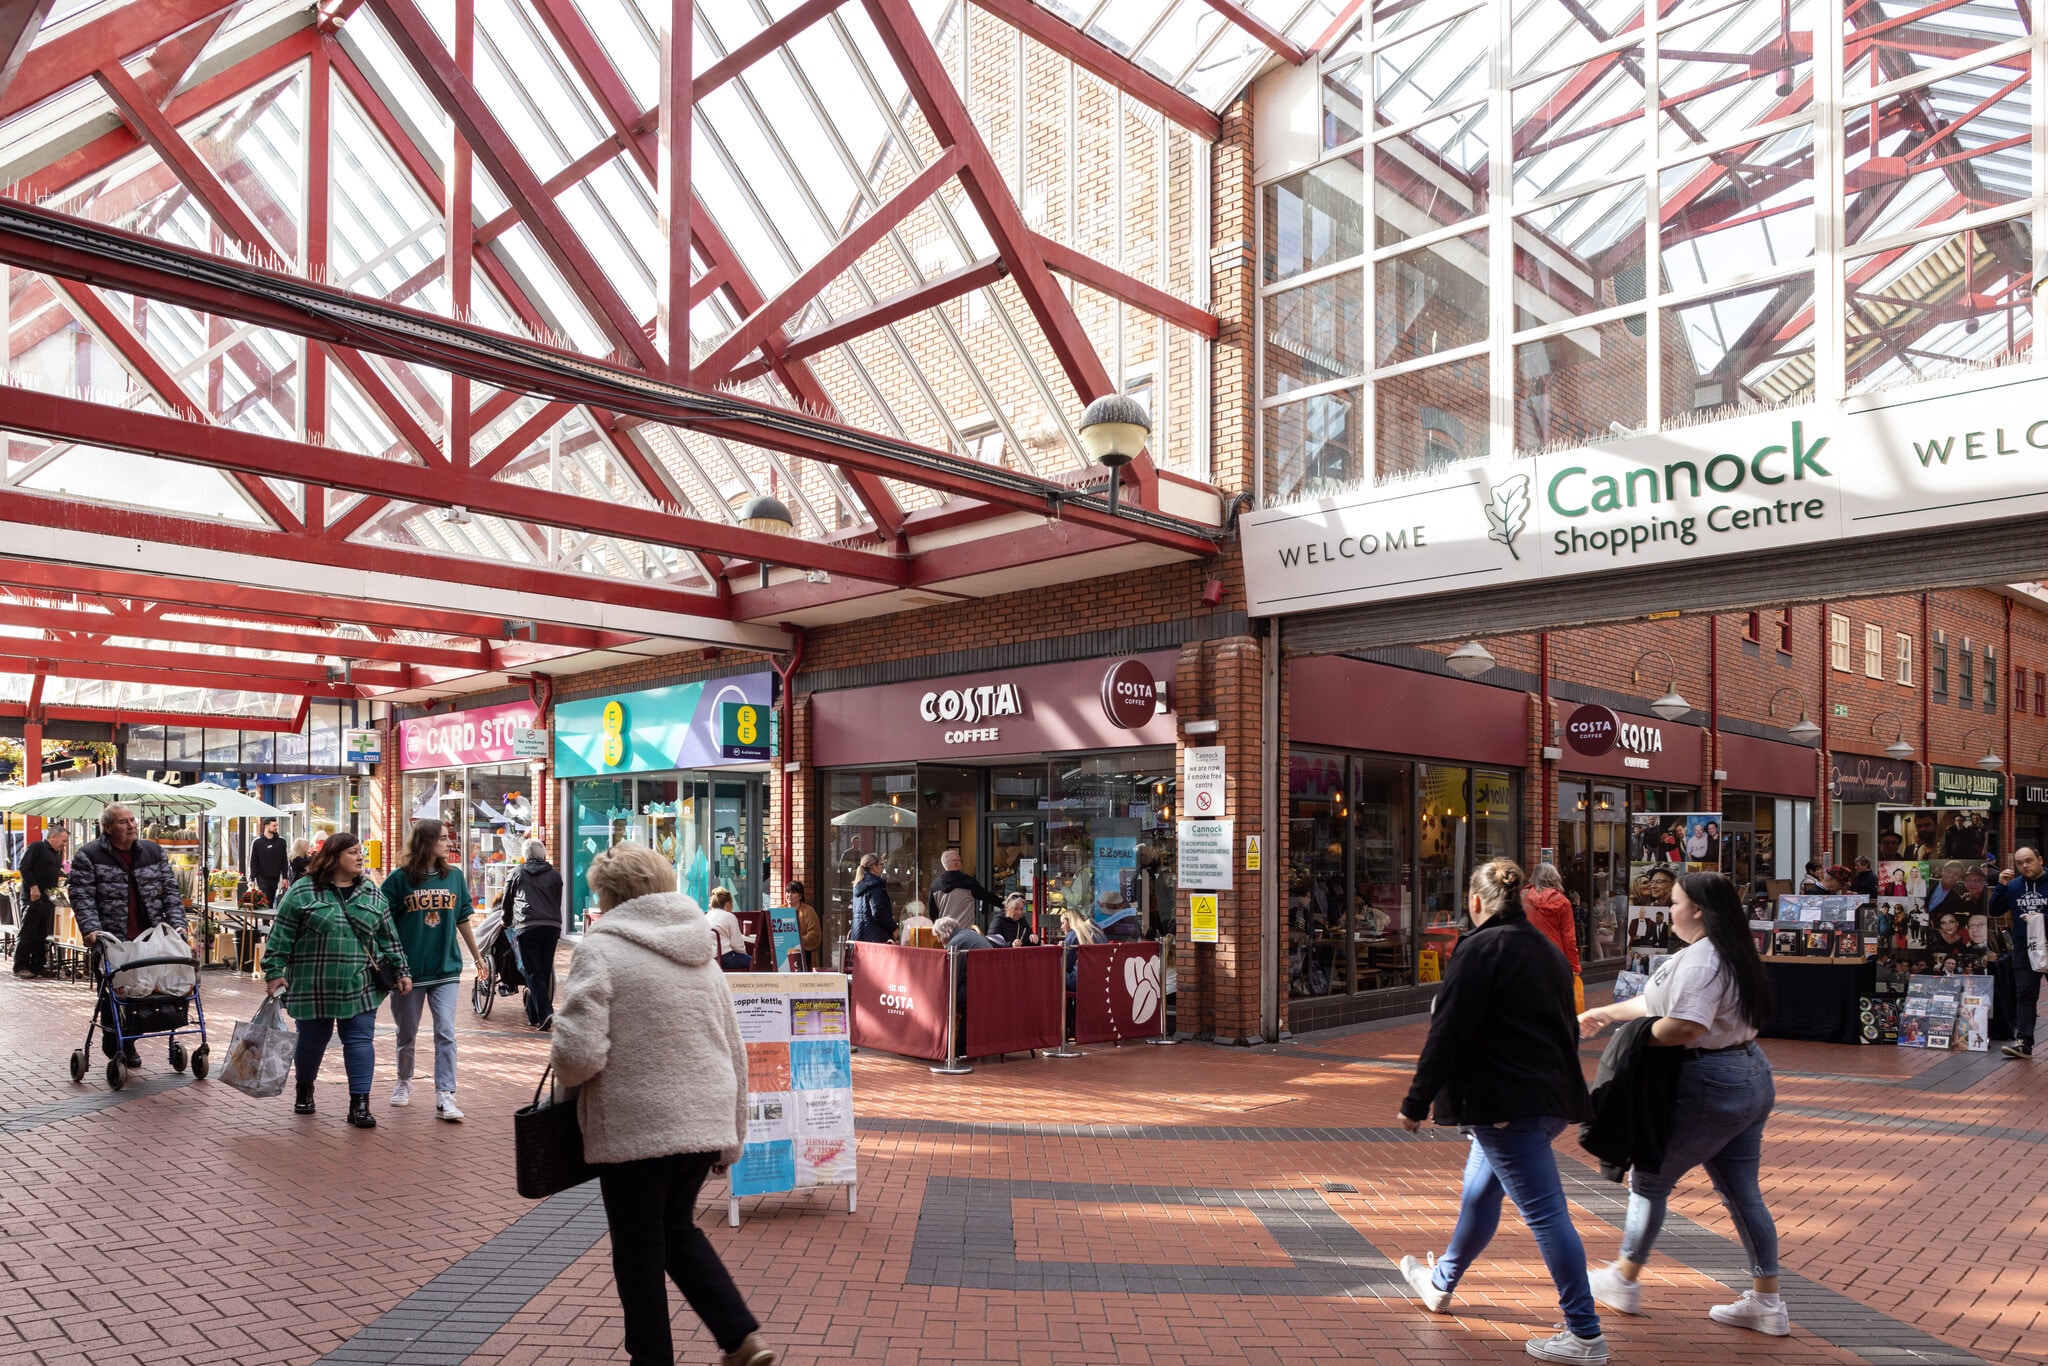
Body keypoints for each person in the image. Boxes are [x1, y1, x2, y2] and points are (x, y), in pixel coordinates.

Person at [549, 843, 773, 1366]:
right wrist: (731, 1133)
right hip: (703, 1118)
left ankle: (653, 1360)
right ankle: (740, 1336)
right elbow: (733, 1047)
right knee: (676, 1230)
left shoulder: (601, 949)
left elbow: (577, 1057)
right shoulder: (702, 951)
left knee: (639, 1250)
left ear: (609, 894)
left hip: (636, 1125)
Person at [1395, 859, 1604, 1364]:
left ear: (1474, 903)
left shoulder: (1477, 949)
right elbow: (1564, 1028)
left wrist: (1415, 1101)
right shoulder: (1547, 951)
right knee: (1480, 1193)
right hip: (1548, 1098)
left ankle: (1585, 1333)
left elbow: (1448, 1031)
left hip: (1508, 1104)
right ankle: (1441, 1283)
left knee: (1546, 1215)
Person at [1577, 871, 1786, 1337]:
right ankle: (1767, 1301)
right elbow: (1659, 1004)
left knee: (1649, 1179)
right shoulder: (1722, 953)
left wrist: (1631, 1038)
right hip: (1749, 1073)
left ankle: (1624, 1279)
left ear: (1697, 910)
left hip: (1713, 1082)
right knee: (1741, 1191)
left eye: (1673, 902)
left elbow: (1684, 1026)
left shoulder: (1701, 961)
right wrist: (1606, 1014)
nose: (1667, 909)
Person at [262, 832, 411, 1128]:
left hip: (359, 984)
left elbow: (388, 936)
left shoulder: (371, 892)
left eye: (361, 852)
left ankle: (360, 1104)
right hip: (311, 982)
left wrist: (402, 970)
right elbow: (281, 935)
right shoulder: (303, 891)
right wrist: (274, 970)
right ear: (333, 857)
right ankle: (304, 1088)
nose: (360, 857)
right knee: (311, 1043)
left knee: (359, 1040)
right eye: (353, 852)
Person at [380, 819, 483, 1121]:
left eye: (448, 838)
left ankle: (445, 1094)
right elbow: (383, 922)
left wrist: (477, 956)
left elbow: (463, 917)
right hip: (408, 972)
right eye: (441, 838)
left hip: (446, 967)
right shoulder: (399, 880)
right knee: (407, 1032)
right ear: (425, 842)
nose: (448, 843)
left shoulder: (455, 877)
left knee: (446, 1032)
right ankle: (404, 1081)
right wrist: (393, 962)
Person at [70, 803, 186, 1067]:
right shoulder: (89, 855)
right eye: (124, 822)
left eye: (133, 820)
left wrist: (178, 925)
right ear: (108, 828)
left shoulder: (153, 851)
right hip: (113, 940)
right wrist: (90, 929)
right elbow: (82, 896)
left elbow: (170, 892)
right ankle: (120, 1045)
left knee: (150, 993)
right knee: (115, 994)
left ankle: (130, 1038)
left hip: (151, 938)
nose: (132, 825)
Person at [1990, 845, 2047, 1058]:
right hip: (2025, 949)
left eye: (2029, 861)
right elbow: (1994, 910)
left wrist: (2041, 918)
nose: (2025, 866)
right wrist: (2001, 886)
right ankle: (2023, 1042)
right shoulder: (2014, 886)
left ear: (2040, 859)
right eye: (2020, 863)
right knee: (2024, 995)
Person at [504, 840, 563, 1030]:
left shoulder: (516, 873)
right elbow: (557, 900)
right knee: (543, 970)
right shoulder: (555, 875)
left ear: (525, 855)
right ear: (543, 855)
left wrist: (506, 920)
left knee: (532, 970)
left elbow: (507, 901)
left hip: (527, 924)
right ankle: (535, 1014)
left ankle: (546, 1012)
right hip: (552, 925)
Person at [12, 824, 67, 978]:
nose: (65, 844)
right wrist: (33, 887)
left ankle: (38, 965)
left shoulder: (57, 853)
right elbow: (24, 866)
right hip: (33, 898)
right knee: (28, 932)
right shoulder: (37, 847)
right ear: (53, 837)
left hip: (48, 898)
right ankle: (20, 966)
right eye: (63, 841)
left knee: (41, 933)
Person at [1526, 863, 1583, 1012]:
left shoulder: (1522, 898)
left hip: (1524, 955)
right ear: (1555, 878)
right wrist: (1574, 965)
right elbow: (1569, 937)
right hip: (1553, 957)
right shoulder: (1563, 903)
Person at [929, 849, 999, 928]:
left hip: (945, 933)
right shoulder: (968, 882)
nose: (960, 862)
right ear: (956, 862)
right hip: (965, 932)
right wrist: (1004, 904)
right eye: (959, 860)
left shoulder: (935, 885)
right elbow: (987, 896)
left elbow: (933, 912)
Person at [849, 853, 895, 944]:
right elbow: (878, 911)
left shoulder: (858, 884)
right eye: (881, 865)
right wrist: (893, 927)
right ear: (874, 867)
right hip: (875, 935)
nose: (882, 868)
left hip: (858, 934)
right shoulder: (875, 885)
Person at [705, 887, 753, 971]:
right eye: (732, 903)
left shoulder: (706, 916)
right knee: (757, 963)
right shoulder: (729, 916)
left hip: (709, 959)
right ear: (727, 904)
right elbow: (738, 946)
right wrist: (744, 956)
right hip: (725, 958)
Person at [247, 817, 289, 908]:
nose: (276, 827)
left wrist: (285, 877)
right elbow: (253, 861)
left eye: (276, 825)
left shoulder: (281, 842)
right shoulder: (257, 842)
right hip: (261, 875)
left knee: (271, 897)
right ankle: (265, 921)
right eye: (274, 825)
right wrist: (252, 878)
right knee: (264, 896)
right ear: (266, 826)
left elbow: (284, 860)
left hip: (275, 875)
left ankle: (268, 919)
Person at [1061, 907, 1103, 991]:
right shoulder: (1096, 930)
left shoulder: (1073, 934)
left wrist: (1061, 949)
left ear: (1070, 922)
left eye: (1063, 923)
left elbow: (1066, 966)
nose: (1061, 927)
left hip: (1079, 981)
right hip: (1100, 979)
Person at [788, 880, 821, 969]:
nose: (789, 895)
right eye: (788, 892)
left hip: (804, 954)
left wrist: (796, 940)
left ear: (800, 896)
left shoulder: (808, 911)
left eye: (793, 893)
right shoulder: (780, 910)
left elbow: (815, 936)